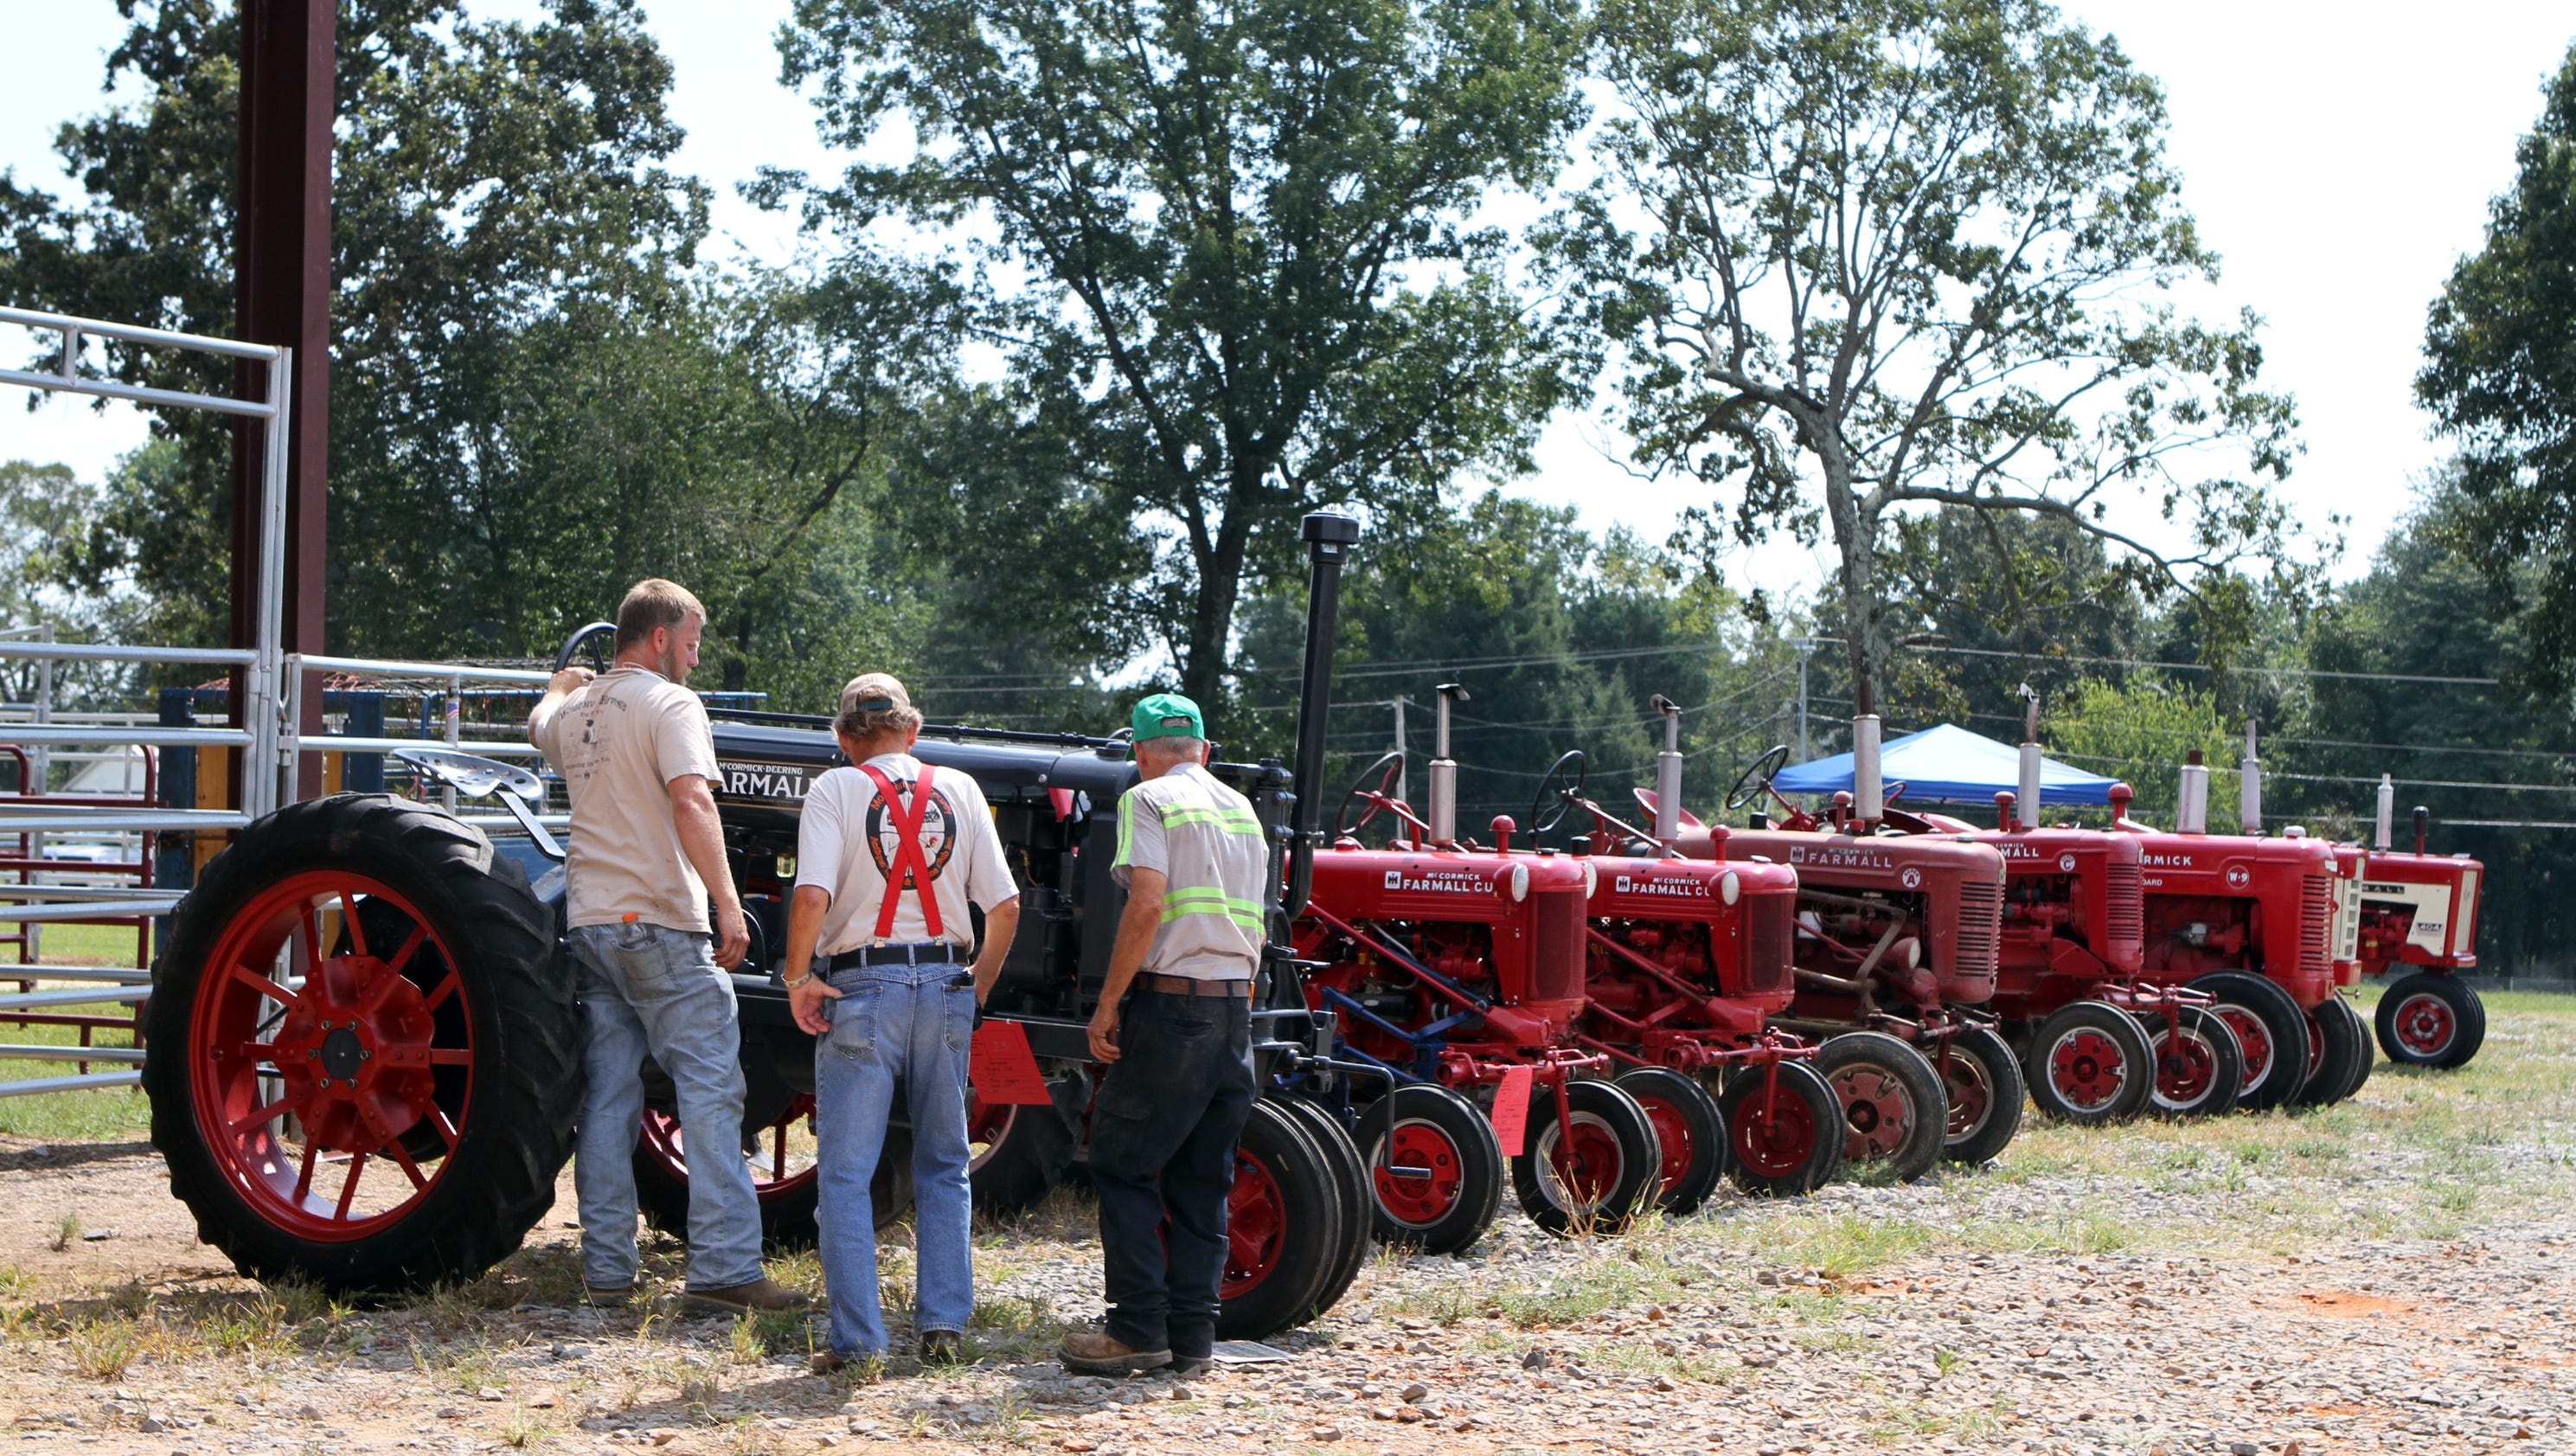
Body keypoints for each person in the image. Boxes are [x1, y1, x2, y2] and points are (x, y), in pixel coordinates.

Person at [529, 578, 806, 1315]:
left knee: (611, 1097)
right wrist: (727, 903)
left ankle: (609, 1273)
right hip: (659, 917)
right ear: (658, 637)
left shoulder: (577, 713)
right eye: (691, 639)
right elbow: (692, 800)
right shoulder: (672, 704)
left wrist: (561, 685)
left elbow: (541, 720)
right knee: (713, 1090)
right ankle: (722, 1269)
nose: (695, 654)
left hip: (591, 924)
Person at [785, 674, 1022, 1370]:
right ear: (913, 732)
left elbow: (810, 895)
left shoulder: (835, 790)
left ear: (842, 737)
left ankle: (859, 1342)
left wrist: (799, 978)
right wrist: (975, 984)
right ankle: (944, 1324)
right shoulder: (963, 790)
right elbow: (1005, 907)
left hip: (861, 988)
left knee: (847, 1174)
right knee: (946, 1163)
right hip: (946, 984)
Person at [1057, 693, 1269, 1379]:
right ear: (1204, 750)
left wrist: (1108, 1002)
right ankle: (1192, 1340)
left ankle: (1135, 1328)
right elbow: (1259, 924)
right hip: (1234, 1008)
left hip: (1172, 1007)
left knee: (1122, 1160)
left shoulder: (1148, 802)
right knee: (1203, 1177)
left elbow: (1146, 903)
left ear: (1141, 754)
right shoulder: (1245, 811)